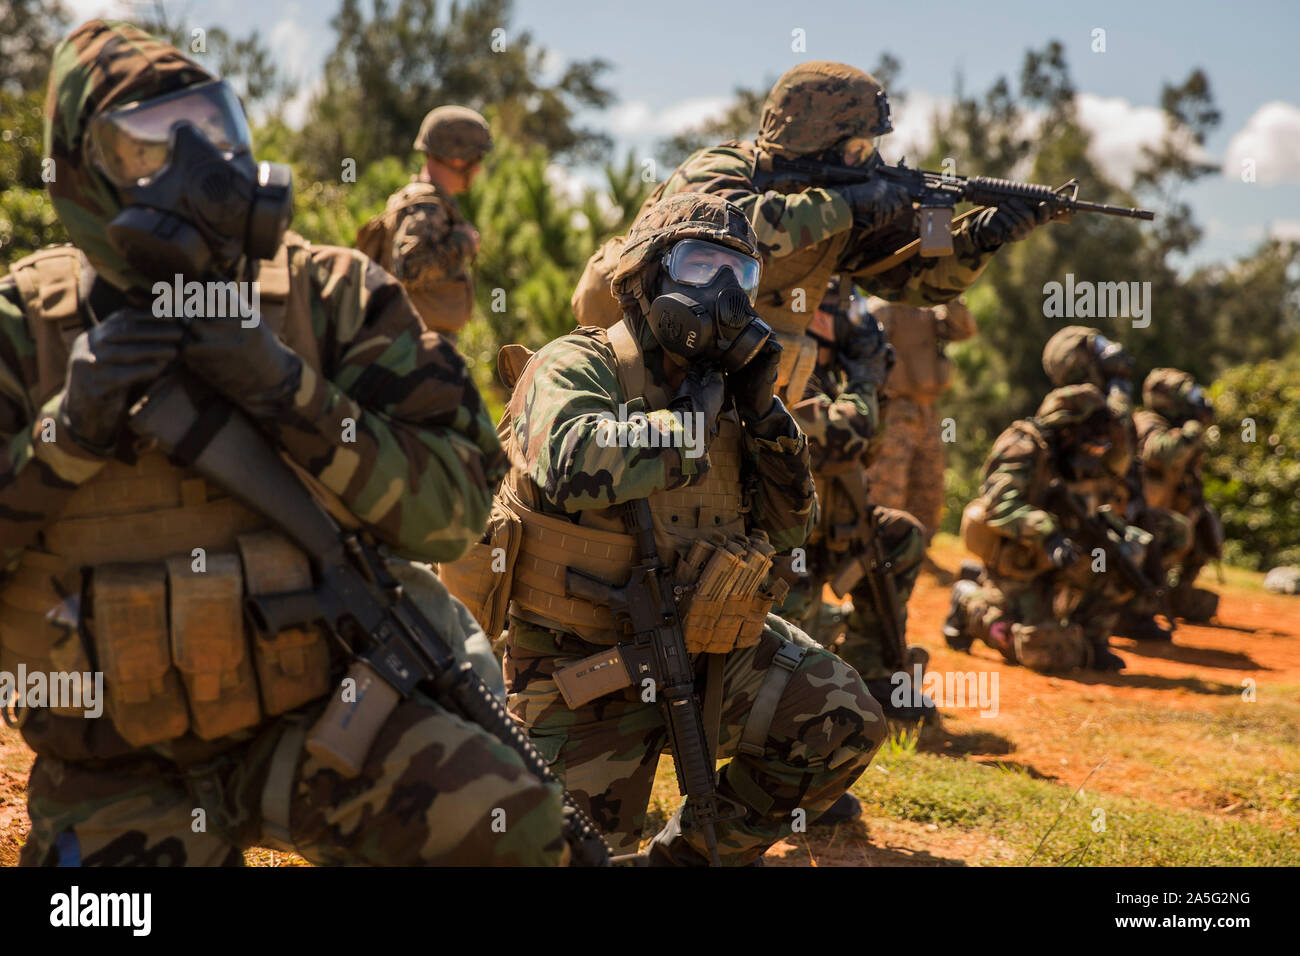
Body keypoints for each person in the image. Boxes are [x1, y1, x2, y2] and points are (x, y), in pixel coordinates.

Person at [1, 20, 567, 866]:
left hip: (319, 727)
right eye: (150, 144)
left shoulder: (329, 295)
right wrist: (64, 436)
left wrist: (287, 389)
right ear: (84, 175)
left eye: (213, 126)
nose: (202, 165)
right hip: (112, 767)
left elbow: (455, 514)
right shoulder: (21, 328)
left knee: (505, 826)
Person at [483, 192, 885, 864]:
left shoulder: (726, 388)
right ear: (648, 273)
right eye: (702, 264)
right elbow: (573, 460)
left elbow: (791, 528)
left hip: (704, 650)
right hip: (579, 671)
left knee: (840, 718)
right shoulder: (579, 363)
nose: (725, 290)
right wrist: (684, 430)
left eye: (743, 275)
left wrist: (766, 422)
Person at [573, 60, 1055, 412]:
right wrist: (848, 206)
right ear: (813, 135)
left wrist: (978, 236)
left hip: (735, 403)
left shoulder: (832, 206)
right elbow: (736, 225)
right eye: (858, 146)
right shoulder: (722, 168)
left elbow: (912, 282)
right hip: (635, 387)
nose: (869, 159)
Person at [783, 277, 933, 722]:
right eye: (838, 313)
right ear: (811, 314)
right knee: (791, 665)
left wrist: (873, 386)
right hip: (789, 545)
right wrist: (865, 379)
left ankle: (870, 668)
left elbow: (867, 448)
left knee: (899, 536)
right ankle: (819, 639)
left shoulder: (830, 375)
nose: (851, 325)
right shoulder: (785, 367)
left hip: (835, 530)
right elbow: (840, 438)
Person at [942, 385, 1151, 673]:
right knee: (1039, 651)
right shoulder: (1022, 447)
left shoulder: (1073, 456)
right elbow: (1000, 505)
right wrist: (1047, 533)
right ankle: (968, 602)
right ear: (1066, 431)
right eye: (1091, 445)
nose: (1095, 453)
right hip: (1019, 561)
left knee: (1120, 560)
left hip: (1059, 559)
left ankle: (1092, 640)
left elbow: (1113, 474)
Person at [1041, 326, 1186, 640]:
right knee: (1116, 552)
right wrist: (1119, 387)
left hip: (1108, 511)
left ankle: (1130, 615)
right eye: (1097, 350)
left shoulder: (1102, 406)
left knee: (1168, 533)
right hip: (1071, 522)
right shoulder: (1070, 408)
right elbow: (1117, 445)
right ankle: (1080, 617)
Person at [356, 105, 492, 338]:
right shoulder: (426, 206)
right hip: (415, 348)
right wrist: (462, 242)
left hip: (415, 344)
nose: (479, 169)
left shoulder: (427, 202)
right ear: (458, 160)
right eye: (477, 158)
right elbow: (410, 267)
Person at [865, 296, 976, 545]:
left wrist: (950, 293)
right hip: (893, 409)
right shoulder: (883, 308)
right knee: (887, 486)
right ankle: (878, 547)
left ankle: (917, 548)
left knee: (929, 484)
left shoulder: (932, 312)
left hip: (927, 410)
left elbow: (965, 329)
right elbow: (861, 346)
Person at [1135, 368, 1222, 622]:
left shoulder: (1174, 427)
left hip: (1165, 511)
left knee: (1206, 525)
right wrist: (1193, 427)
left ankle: (1174, 593)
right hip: (1137, 516)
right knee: (1176, 532)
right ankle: (1135, 598)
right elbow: (1163, 453)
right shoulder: (1147, 421)